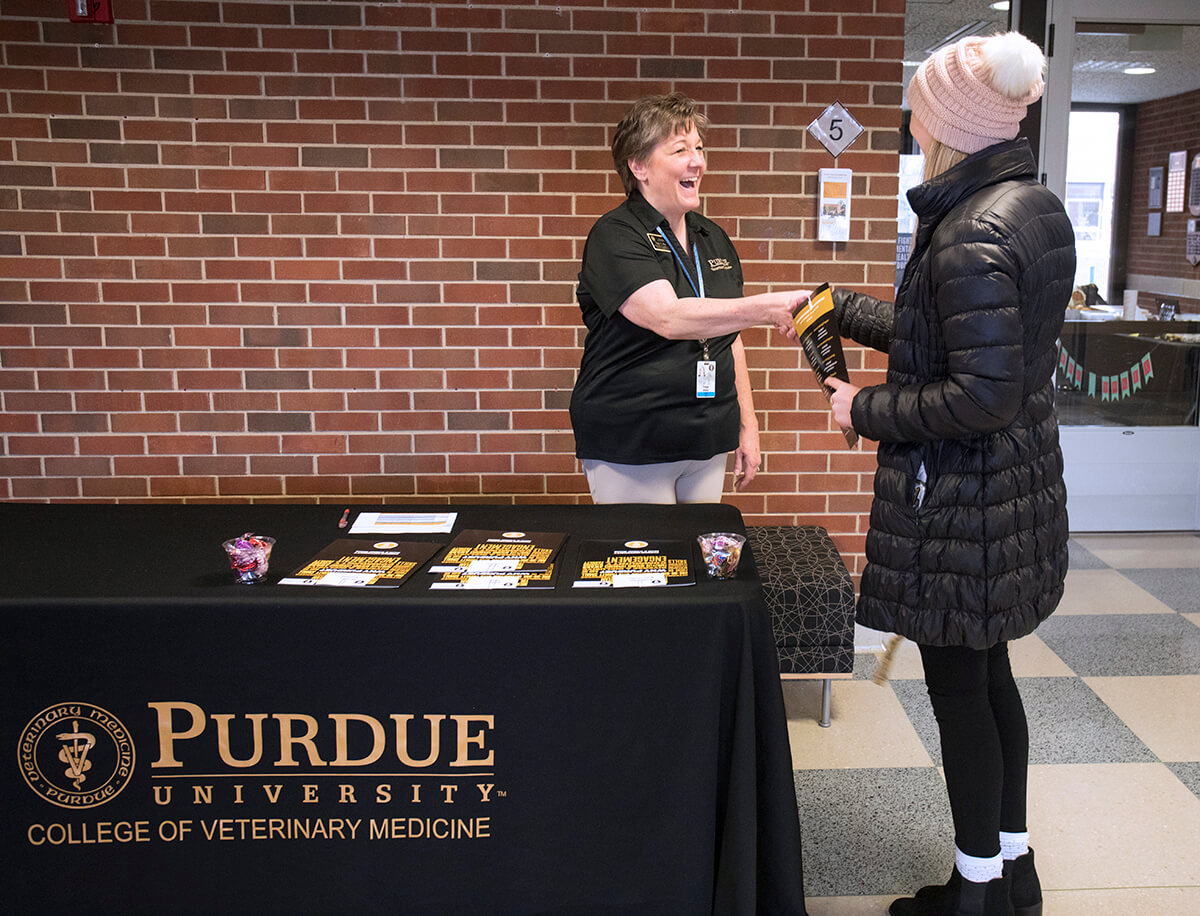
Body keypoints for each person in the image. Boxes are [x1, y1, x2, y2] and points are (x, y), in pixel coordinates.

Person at [822, 32, 1074, 916]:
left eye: (918, 114)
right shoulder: (1025, 203)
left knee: (960, 693)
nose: (910, 127)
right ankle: (1014, 868)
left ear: (947, 124)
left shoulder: (970, 229)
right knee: (990, 675)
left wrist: (862, 410)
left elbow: (978, 393)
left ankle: (975, 896)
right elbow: (959, 333)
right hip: (1012, 492)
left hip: (963, 502)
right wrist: (838, 311)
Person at [569, 92, 806, 504]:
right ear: (638, 166)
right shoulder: (616, 235)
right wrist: (767, 308)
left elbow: (729, 335)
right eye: (680, 150)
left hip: (706, 437)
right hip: (635, 440)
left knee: (696, 562)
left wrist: (747, 425)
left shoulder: (710, 236)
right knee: (647, 565)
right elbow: (667, 317)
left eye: (699, 148)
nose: (697, 161)